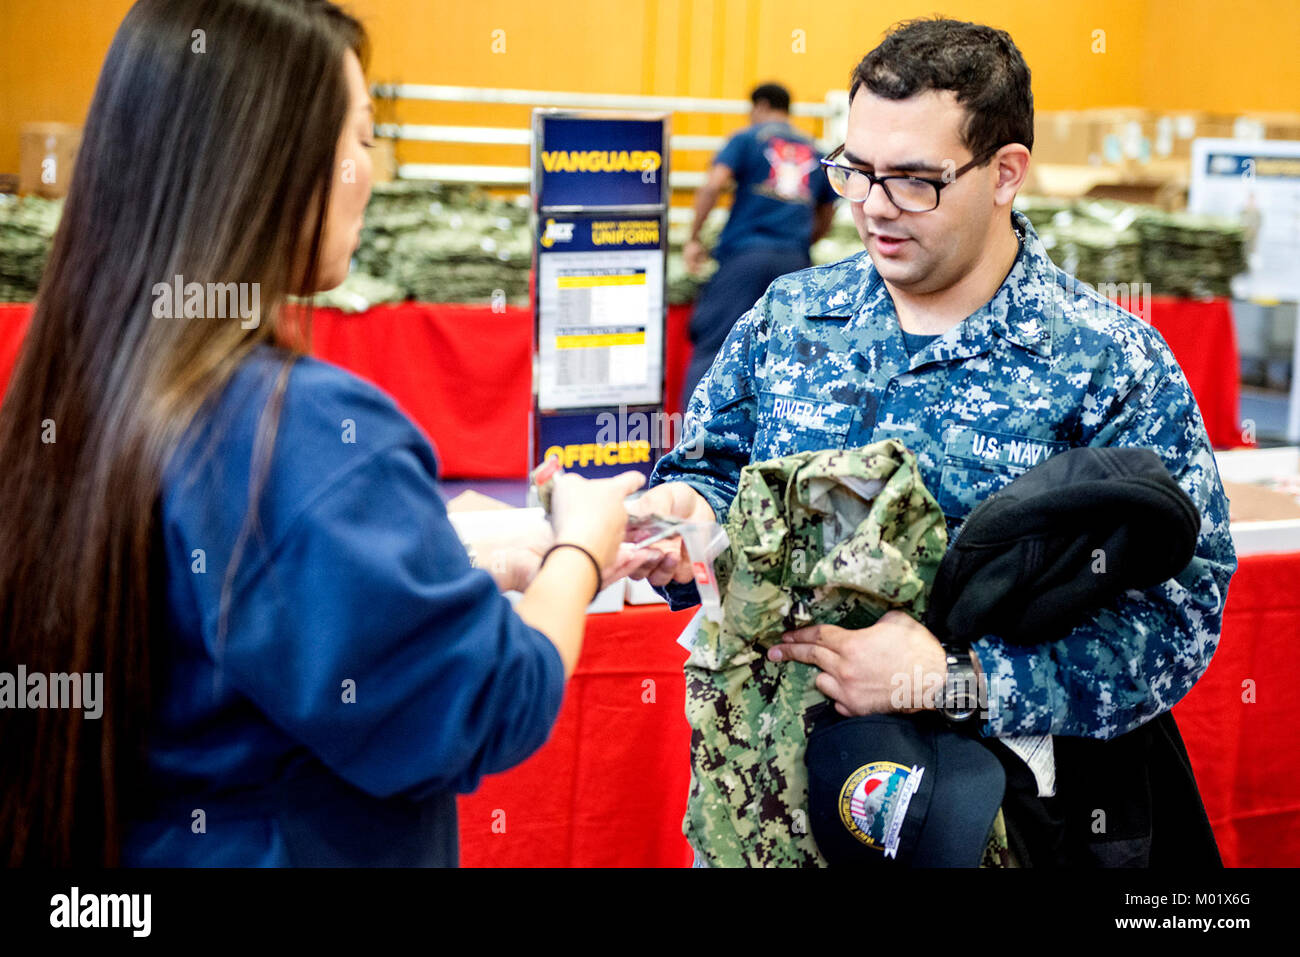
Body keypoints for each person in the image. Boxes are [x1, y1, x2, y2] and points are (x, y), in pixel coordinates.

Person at [0, 0, 641, 867]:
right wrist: (583, 550)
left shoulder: (87, 379)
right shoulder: (290, 428)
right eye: (364, 136)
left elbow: (242, 597)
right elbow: (489, 703)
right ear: (277, 162)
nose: (369, 171)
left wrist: (459, 564)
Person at [621, 17, 1237, 865]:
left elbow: (1179, 618)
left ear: (1005, 173)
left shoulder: (1106, 364)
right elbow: (716, 472)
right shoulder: (789, 317)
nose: (873, 206)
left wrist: (953, 678)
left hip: (983, 819)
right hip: (765, 808)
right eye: (856, 170)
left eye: (913, 180)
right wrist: (685, 514)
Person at [680, 82, 838, 408]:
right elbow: (826, 212)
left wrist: (694, 237)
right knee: (789, 353)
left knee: (716, 345)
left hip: (745, 257)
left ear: (760, 106)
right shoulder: (815, 149)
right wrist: (799, 242)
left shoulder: (746, 139)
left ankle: (693, 443)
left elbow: (714, 185)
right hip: (795, 263)